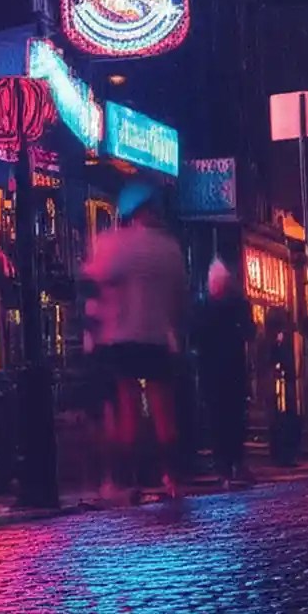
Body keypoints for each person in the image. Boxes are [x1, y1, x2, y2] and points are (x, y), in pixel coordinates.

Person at [82, 181, 188, 501]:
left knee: (126, 408)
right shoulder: (169, 248)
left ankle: (124, 479)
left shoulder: (115, 244)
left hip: (121, 336)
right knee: (162, 410)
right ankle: (171, 475)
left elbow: (92, 279)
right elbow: (180, 297)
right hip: (157, 336)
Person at [194, 257, 255, 486]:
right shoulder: (237, 305)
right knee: (232, 417)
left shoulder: (204, 307)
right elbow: (249, 332)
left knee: (221, 418)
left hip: (215, 370)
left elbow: (196, 337)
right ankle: (232, 462)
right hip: (230, 368)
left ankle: (226, 465)